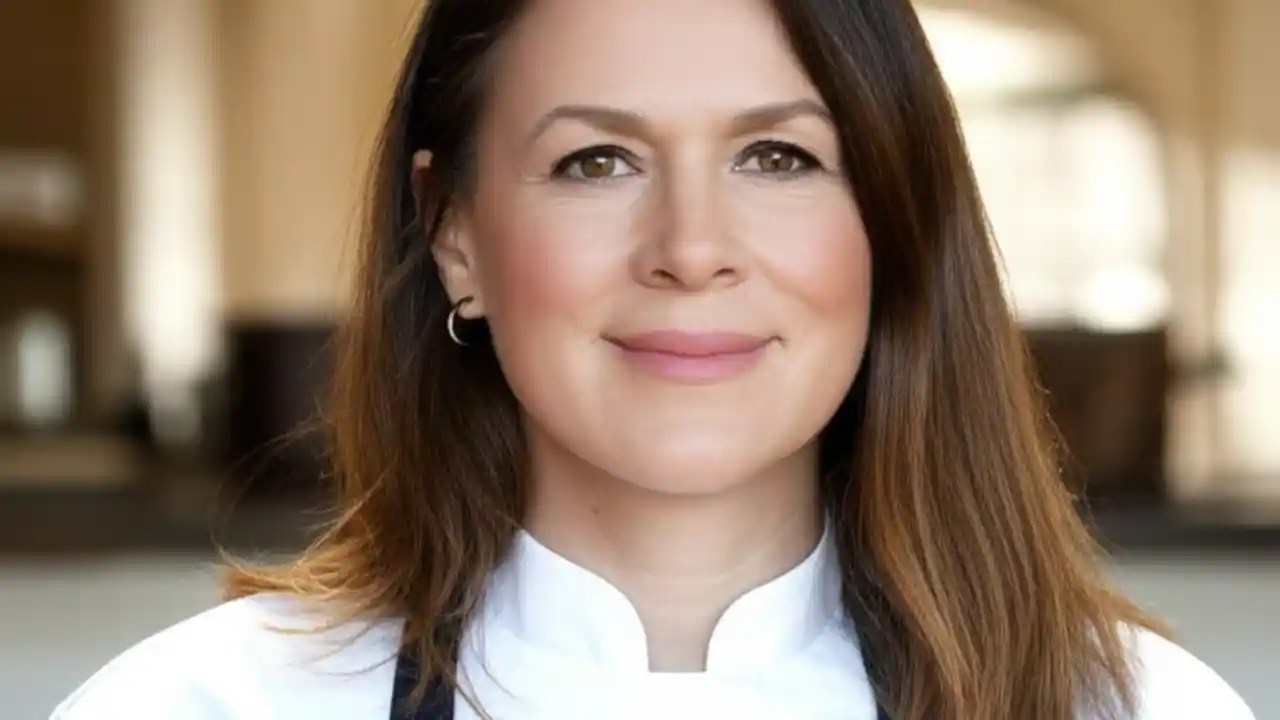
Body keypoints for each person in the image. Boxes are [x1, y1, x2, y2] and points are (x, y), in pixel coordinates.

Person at [53, 0, 1255, 718]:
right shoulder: (203, 707)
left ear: (892, 218)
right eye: (596, 162)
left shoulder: (1135, 711)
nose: (691, 250)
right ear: (453, 232)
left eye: (778, 159)